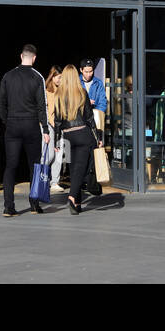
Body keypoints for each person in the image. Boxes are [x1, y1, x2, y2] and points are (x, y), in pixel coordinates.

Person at [0, 44, 50, 217]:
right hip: (31, 125)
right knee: (34, 165)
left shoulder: (8, 76)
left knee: (11, 166)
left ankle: (8, 207)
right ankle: (34, 204)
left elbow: (0, 103)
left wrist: (6, 120)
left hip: (12, 125)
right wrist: (46, 129)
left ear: (21, 56)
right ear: (34, 58)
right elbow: (42, 106)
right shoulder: (37, 77)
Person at [53, 65, 101, 215]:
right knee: (81, 168)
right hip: (83, 134)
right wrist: (97, 138)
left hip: (67, 137)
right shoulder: (81, 92)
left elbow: (57, 121)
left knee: (74, 168)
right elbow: (89, 118)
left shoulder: (59, 95)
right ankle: (72, 197)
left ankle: (78, 202)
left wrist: (56, 140)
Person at [79, 57, 108, 196]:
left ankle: (91, 181)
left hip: (94, 122)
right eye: (86, 71)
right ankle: (82, 180)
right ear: (81, 70)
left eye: (91, 71)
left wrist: (94, 107)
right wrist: (85, 104)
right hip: (80, 123)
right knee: (81, 153)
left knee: (94, 152)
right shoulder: (77, 83)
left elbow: (103, 102)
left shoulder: (98, 83)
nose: (89, 74)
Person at [45, 65, 69, 192]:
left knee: (59, 155)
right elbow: (44, 111)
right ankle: (41, 177)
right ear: (53, 76)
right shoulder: (46, 91)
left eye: (62, 78)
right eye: (59, 77)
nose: (60, 80)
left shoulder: (63, 90)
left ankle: (54, 182)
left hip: (61, 126)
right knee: (49, 155)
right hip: (49, 125)